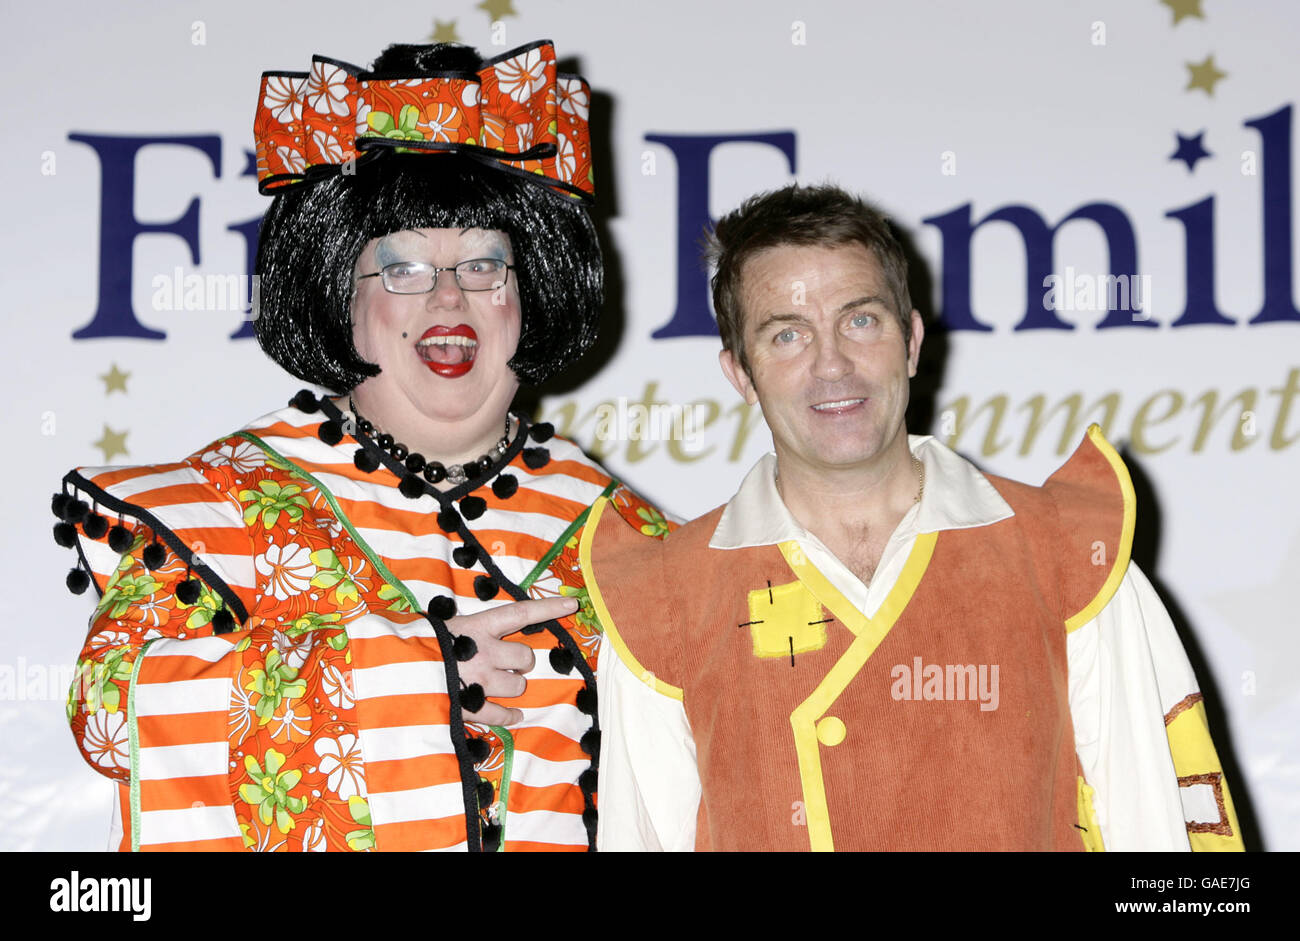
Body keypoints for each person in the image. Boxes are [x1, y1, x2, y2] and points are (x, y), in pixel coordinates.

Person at [50, 40, 668, 852]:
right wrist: (419, 677)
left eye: (485, 263)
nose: (450, 297)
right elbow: (107, 711)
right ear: (341, 297)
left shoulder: (629, 540)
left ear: (530, 293)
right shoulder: (225, 503)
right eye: (403, 268)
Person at [582, 183, 1244, 852]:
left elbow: (1160, 836)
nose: (832, 363)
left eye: (861, 319)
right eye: (786, 334)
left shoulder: (1068, 556)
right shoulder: (662, 603)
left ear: (912, 341)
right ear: (741, 373)